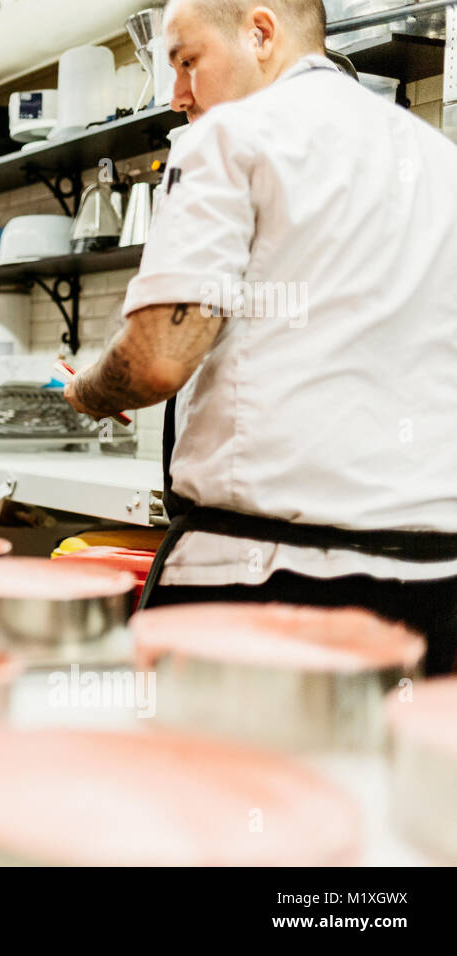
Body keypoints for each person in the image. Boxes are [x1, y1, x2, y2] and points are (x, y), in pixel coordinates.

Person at [64, 0, 457, 674]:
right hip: (435, 593)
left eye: (187, 61)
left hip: (264, 587)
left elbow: (159, 359)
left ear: (261, 32)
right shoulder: (439, 159)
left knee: (207, 780)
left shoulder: (230, 136)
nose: (177, 94)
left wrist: (89, 391)